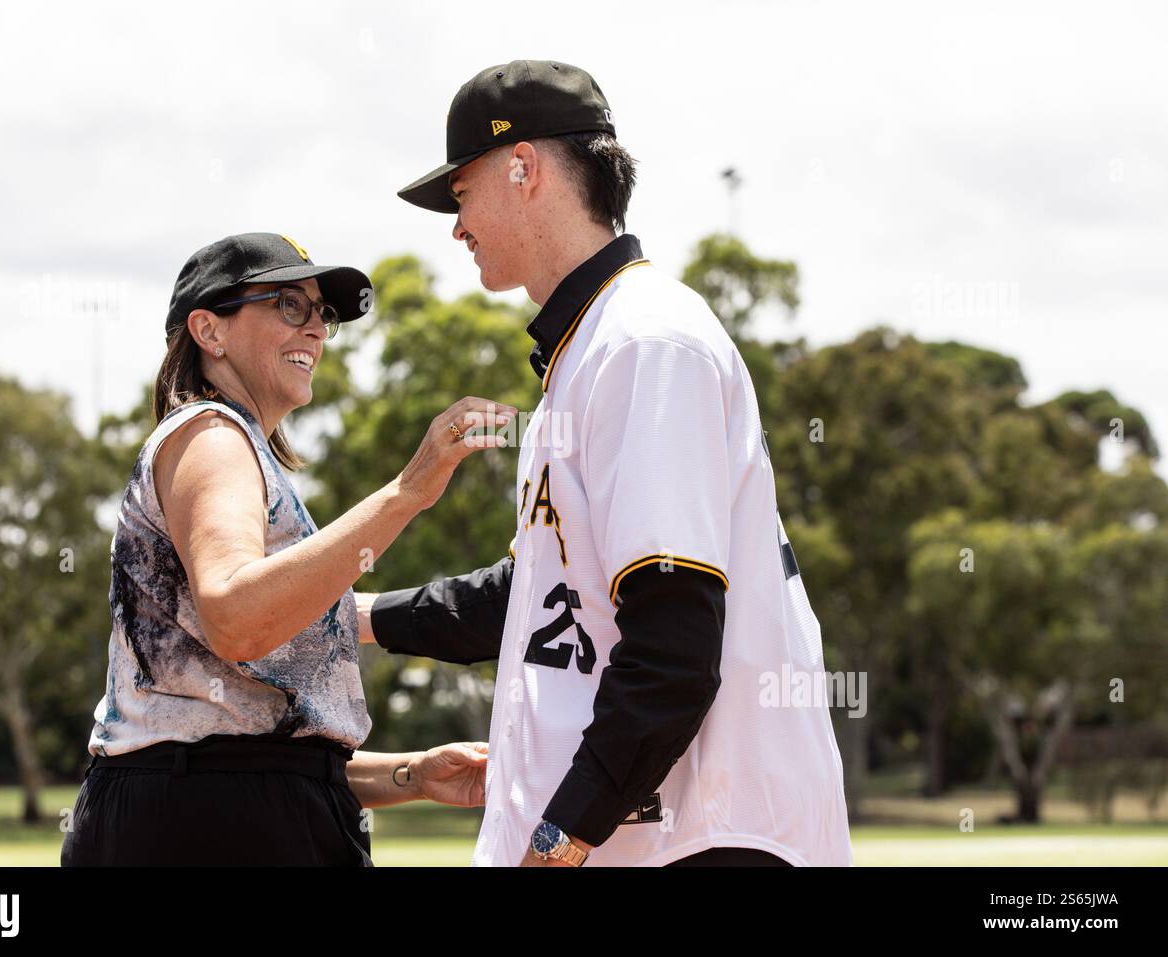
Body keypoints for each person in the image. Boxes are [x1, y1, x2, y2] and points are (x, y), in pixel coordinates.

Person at [358, 62, 853, 866]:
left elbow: (672, 648)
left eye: (461, 193)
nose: (456, 225)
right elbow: (537, 596)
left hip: (708, 834)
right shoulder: (593, 347)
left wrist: (559, 839)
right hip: (663, 832)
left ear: (523, 169)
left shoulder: (645, 340)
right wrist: (352, 617)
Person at [60, 232, 517, 866]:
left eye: (323, 315)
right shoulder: (213, 437)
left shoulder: (228, 446)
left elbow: (258, 746)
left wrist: (414, 774)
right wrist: (410, 490)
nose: (317, 332)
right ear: (208, 330)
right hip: (209, 825)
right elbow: (238, 618)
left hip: (205, 813)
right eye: (289, 306)